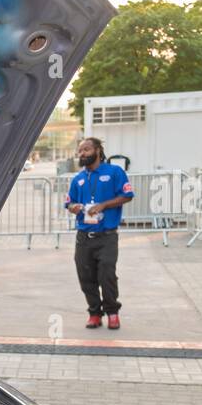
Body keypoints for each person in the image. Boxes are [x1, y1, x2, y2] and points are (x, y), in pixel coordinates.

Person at [65, 136, 132, 330]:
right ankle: (94, 313)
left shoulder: (114, 172)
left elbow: (126, 196)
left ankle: (112, 312)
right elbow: (69, 203)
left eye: (86, 149)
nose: (82, 153)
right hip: (84, 237)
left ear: (97, 151)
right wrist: (74, 207)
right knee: (86, 276)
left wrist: (103, 205)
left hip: (107, 236)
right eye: (80, 151)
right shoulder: (78, 179)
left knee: (107, 275)